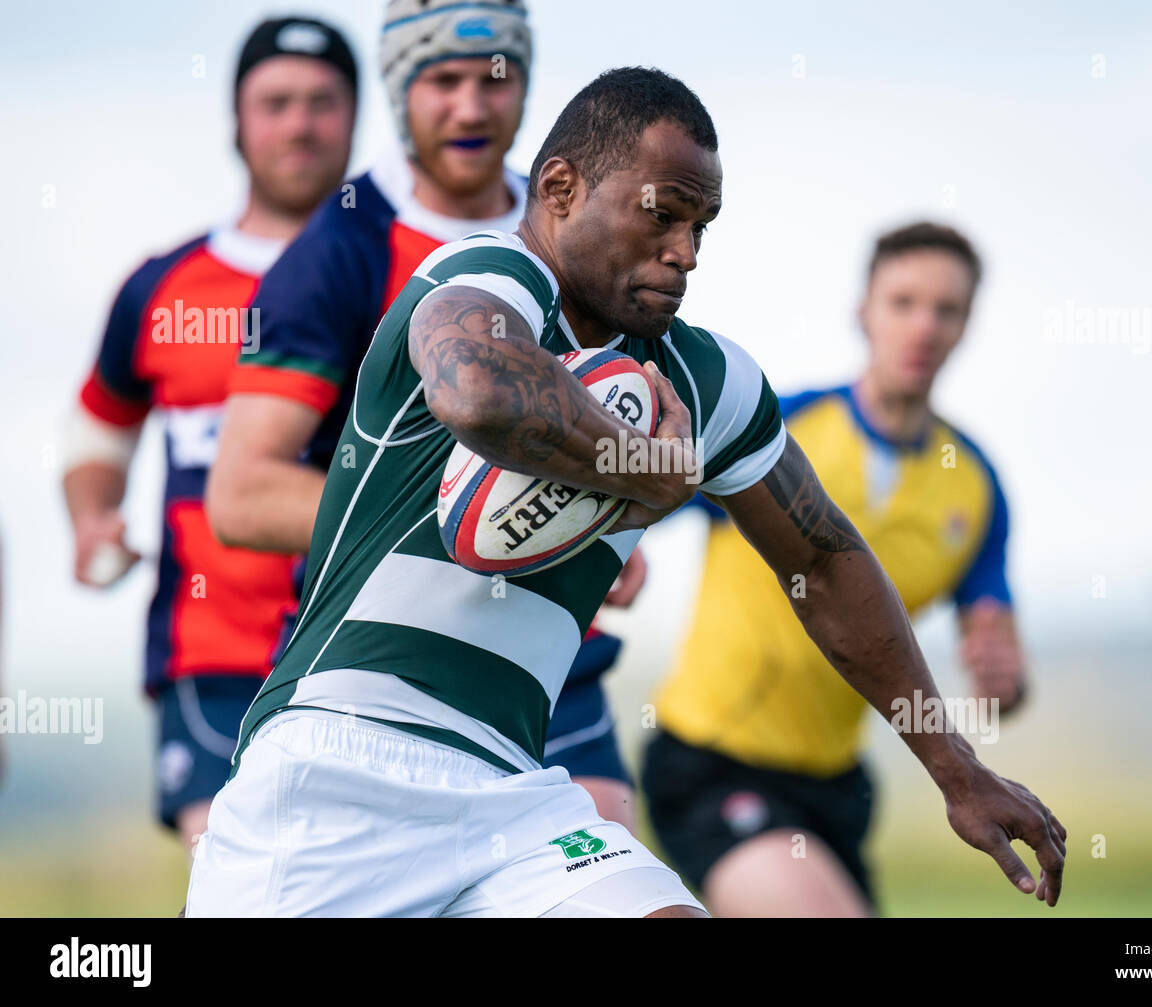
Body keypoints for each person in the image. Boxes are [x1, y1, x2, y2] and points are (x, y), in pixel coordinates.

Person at [186, 67, 1065, 919]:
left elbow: (826, 562)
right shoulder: (487, 276)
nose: (684, 252)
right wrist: (644, 469)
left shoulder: (706, 381)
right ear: (561, 187)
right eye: (663, 214)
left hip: (509, 793)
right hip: (334, 769)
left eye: (702, 226)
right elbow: (480, 392)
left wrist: (957, 768)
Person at [205, 0, 643, 830]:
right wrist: (474, 521)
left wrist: (602, 513)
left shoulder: (588, 241)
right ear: (399, 89)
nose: (472, 107)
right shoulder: (339, 251)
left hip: (551, 662)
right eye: (443, 80)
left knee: (608, 867)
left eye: (494, 78)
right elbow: (242, 494)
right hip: (376, 665)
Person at [642, 222, 1027, 917]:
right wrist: (617, 557)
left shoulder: (974, 487)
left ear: (968, 325)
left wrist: (1004, 675)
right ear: (864, 312)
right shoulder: (776, 426)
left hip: (837, 789)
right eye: (903, 301)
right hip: (710, 763)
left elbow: (997, 645)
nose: (923, 326)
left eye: (946, 309)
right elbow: (635, 509)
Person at [61, 17, 358, 851]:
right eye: (276, 102)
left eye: (322, 103)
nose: (299, 123)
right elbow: (98, 430)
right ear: (237, 120)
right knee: (240, 880)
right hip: (216, 658)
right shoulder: (162, 288)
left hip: (374, 652)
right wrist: (92, 518)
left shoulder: (405, 276)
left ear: (356, 115)